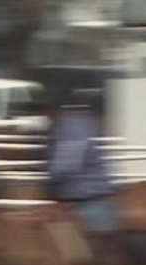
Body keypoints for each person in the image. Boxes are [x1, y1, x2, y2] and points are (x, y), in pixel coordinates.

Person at [45, 81, 117, 233]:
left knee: (79, 251)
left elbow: (66, 164)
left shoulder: (71, 124)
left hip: (87, 201)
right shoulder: (76, 122)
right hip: (87, 199)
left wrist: (49, 184)